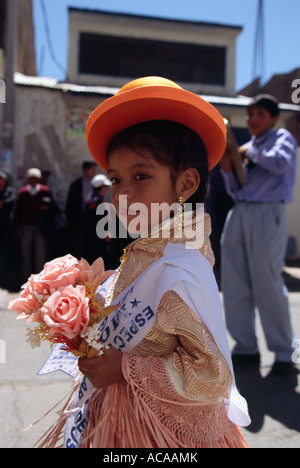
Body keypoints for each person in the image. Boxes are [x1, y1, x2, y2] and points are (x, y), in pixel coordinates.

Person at [40, 77, 250, 448]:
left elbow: (212, 376)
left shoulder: (181, 270)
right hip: (121, 421)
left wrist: (122, 368)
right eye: (116, 179)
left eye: (141, 176)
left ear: (185, 183)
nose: (122, 193)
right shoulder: (146, 250)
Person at [220, 94, 298, 375]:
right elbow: (235, 188)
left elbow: (281, 164)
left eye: (259, 114)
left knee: (268, 282)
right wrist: (228, 168)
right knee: (234, 283)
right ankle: (245, 347)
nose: (252, 119)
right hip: (240, 211)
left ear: (273, 118)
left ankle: (283, 354)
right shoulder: (246, 147)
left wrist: (246, 153)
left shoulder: (282, 139)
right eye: (250, 114)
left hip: (267, 212)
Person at [14, 168, 52, 281]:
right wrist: (19, 226)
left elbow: (51, 207)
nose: (33, 181)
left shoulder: (44, 191)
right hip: (26, 225)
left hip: (40, 226)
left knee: (40, 252)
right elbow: (18, 210)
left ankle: (40, 277)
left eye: (35, 178)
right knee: (25, 251)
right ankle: (26, 276)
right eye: (31, 178)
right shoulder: (23, 192)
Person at [65, 161, 97, 258]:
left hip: (91, 220)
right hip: (77, 220)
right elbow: (70, 203)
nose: (94, 172)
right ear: (86, 170)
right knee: (76, 244)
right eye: (92, 169)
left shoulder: (95, 184)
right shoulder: (76, 184)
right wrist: (69, 219)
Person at [82, 174, 113, 266]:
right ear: (100, 187)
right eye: (105, 187)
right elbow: (99, 222)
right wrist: (106, 235)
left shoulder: (93, 199)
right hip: (96, 241)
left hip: (92, 239)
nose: (106, 189)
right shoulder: (96, 202)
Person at [0, 171, 15, 287]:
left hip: (5, 227)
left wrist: (3, 204)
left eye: (2, 179)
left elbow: (10, 203)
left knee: (3, 253)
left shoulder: (10, 191)